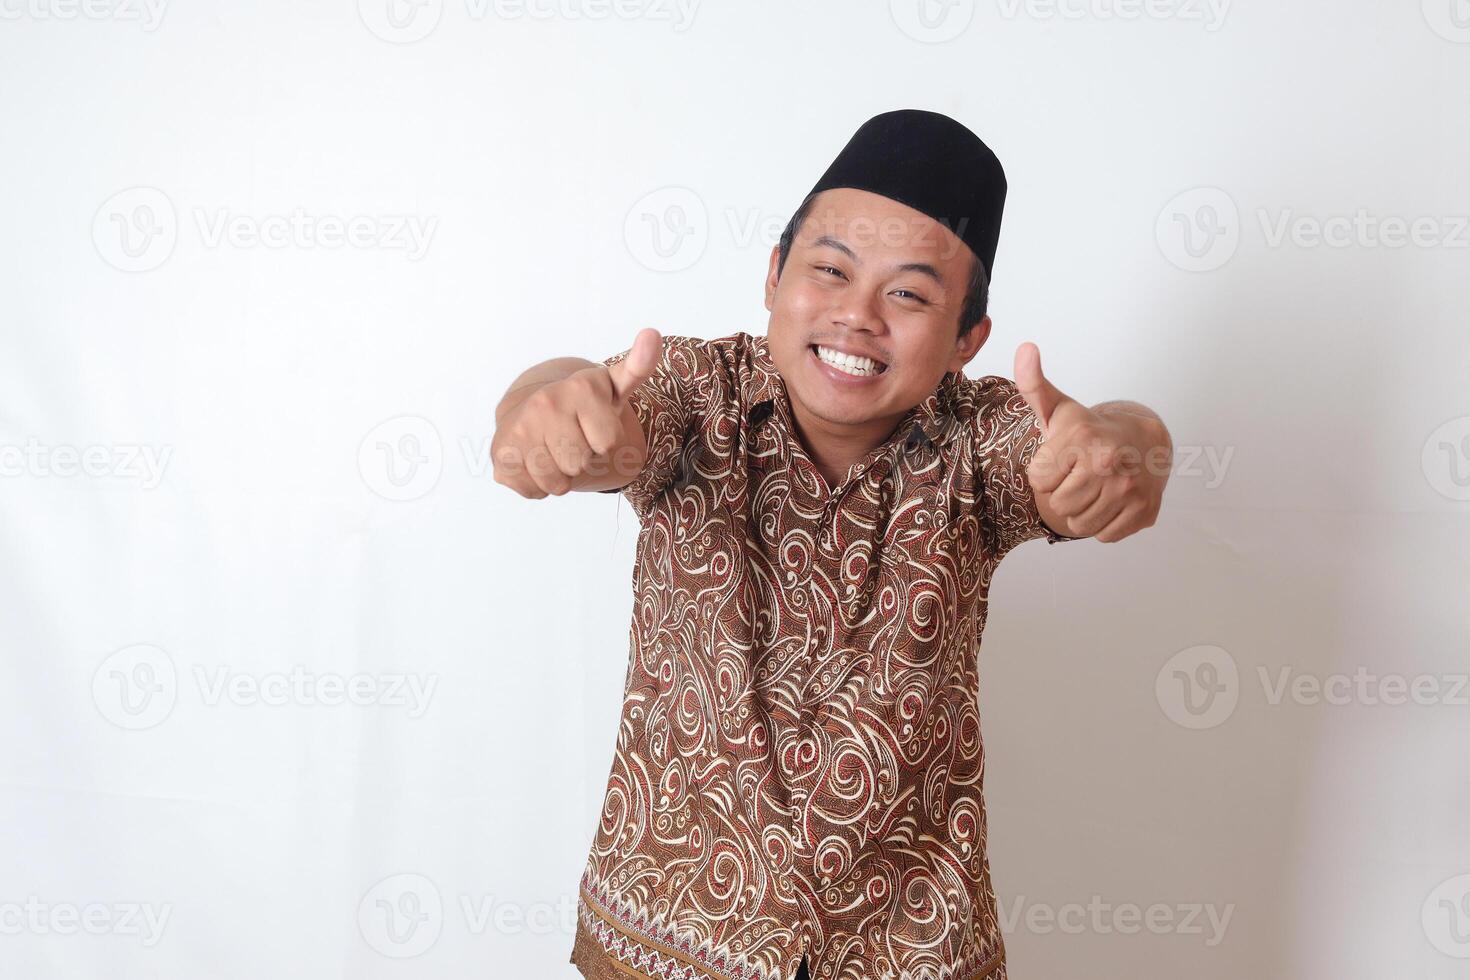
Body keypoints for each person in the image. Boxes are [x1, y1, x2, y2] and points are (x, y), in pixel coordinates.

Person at [492, 109, 1171, 980]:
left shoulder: (980, 439)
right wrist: (543, 407)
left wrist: (1129, 448)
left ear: (967, 340)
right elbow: (593, 413)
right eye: (830, 271)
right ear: (774, 275)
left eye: (910, 294)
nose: (857, 316)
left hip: (911, 952)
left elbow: (1090, 451)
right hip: (668, 937)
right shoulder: (697, 393)